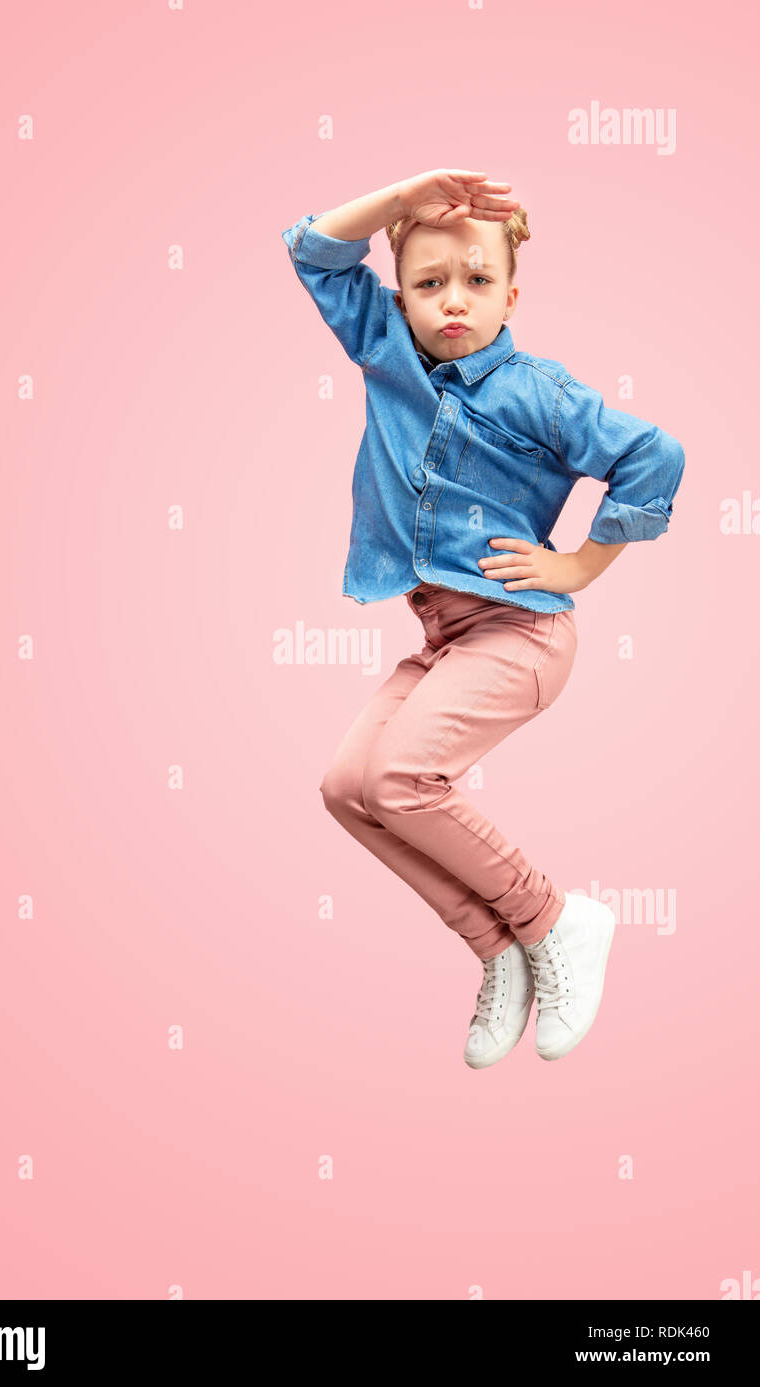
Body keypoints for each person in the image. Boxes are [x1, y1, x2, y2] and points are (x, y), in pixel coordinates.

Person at [280, 169, 685, 1068]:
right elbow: (313, 250)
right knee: (349, 789)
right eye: (427, 283)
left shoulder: (537, 391)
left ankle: (554, 921)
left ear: (511, 292)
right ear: (400, 295)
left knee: (399, 781)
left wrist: (581, 561)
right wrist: (401, 199)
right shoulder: (382, 347)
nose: (452, 301)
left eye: (475, 280)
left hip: (519, 633)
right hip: (443, 637)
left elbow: (656, 456)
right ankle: (497, 946)